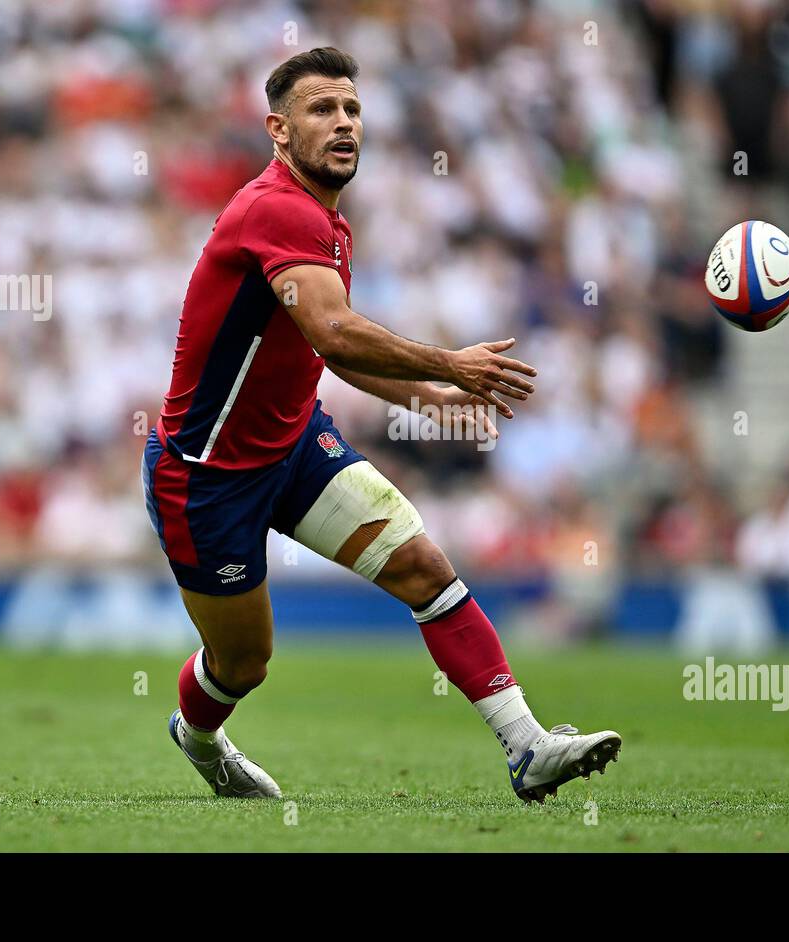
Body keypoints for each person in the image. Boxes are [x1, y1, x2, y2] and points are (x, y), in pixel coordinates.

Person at [142, 47, 620, 803]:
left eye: (353, 111)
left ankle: (527, 746)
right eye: (322, 110)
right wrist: (450, 365)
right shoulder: (275, 209)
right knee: (243, 665)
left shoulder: (327, 222)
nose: (344, 124)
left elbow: (319, 346)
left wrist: (427, 397)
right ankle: (199, 738)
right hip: (206, 477)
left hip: (295, 448)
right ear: (277, 130)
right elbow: (333, 331)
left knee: (424, 568)